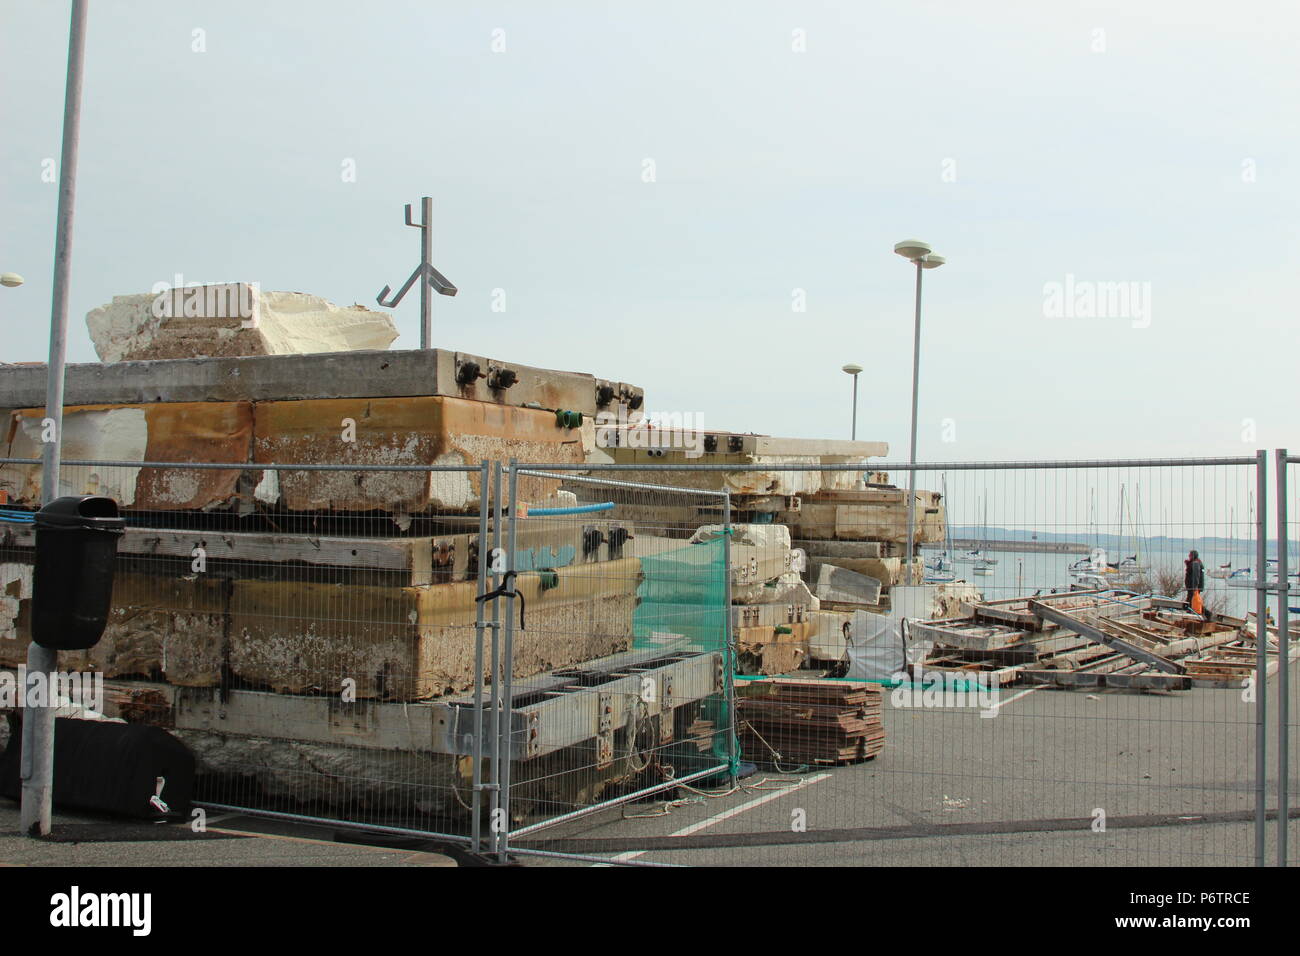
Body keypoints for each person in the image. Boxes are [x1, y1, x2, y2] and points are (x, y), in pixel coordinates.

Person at [1185, 549, 1206, 615]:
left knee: (1192, 600)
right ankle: (1193, 611)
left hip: (1193, 587)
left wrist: (1195, 587)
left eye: (1190, 555)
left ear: (1193, 556)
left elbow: (1196, 576)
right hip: (1193, 587)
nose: (1189, 556)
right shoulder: (1196, 562)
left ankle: (1204, 613)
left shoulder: (1195, 563)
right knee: (1193, 600)